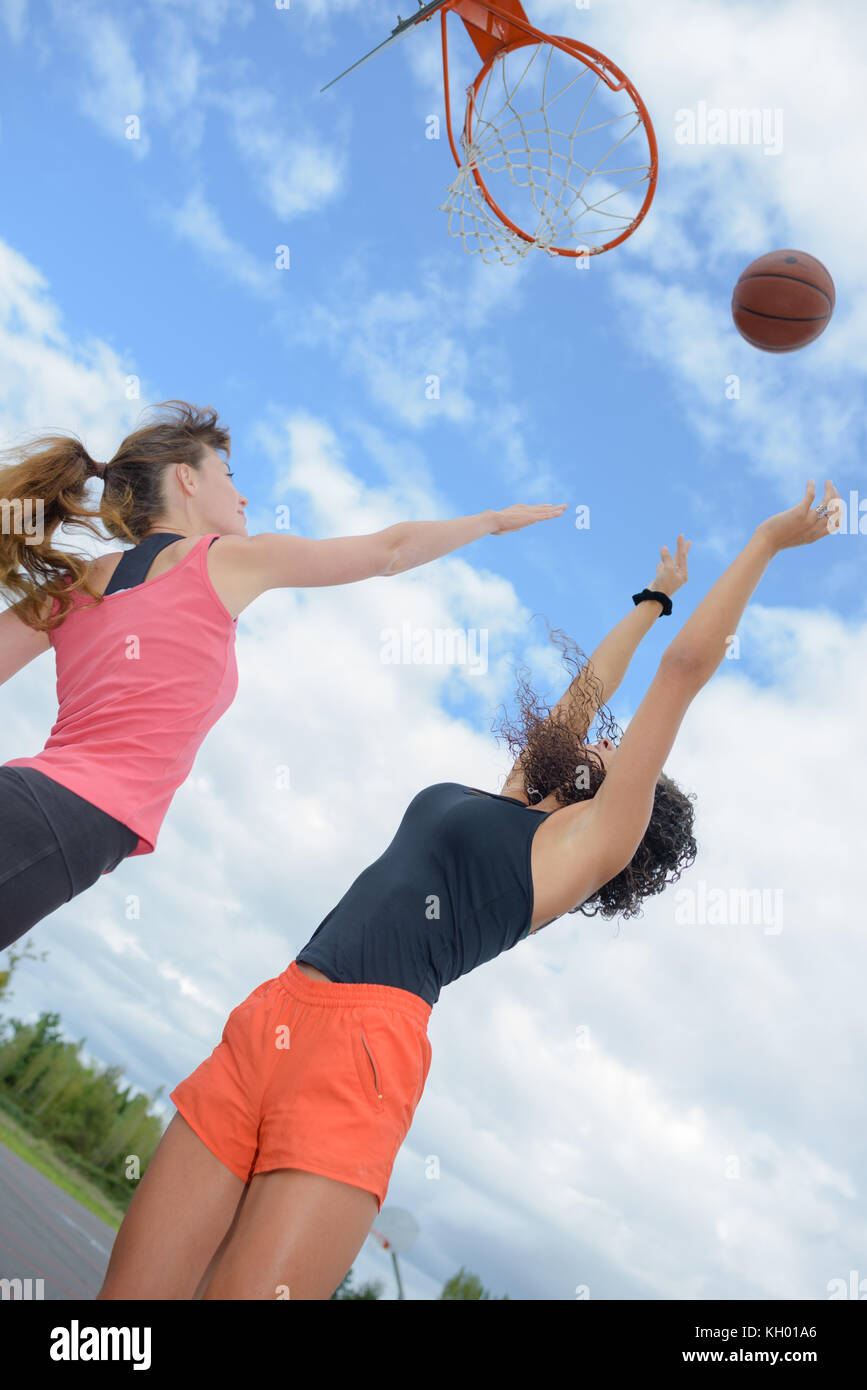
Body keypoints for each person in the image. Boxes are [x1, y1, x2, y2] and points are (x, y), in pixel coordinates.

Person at [96, 478, 840, 1301]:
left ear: (622, 789)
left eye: (614, 751)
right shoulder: (516, 792)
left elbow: (681, 673)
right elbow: (591, 684)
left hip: (364, 1050)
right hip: (274, 1008)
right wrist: (655, 596)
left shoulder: (583, 845)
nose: (599, 731)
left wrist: (767, 541)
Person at [0, 399, 566, 945]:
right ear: (187, 479)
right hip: (62, 816)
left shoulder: (76, 584)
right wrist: (491, 521)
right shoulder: (220, 559)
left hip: (37, 803)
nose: (242, 495)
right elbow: (390, 551)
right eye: (226, 473)